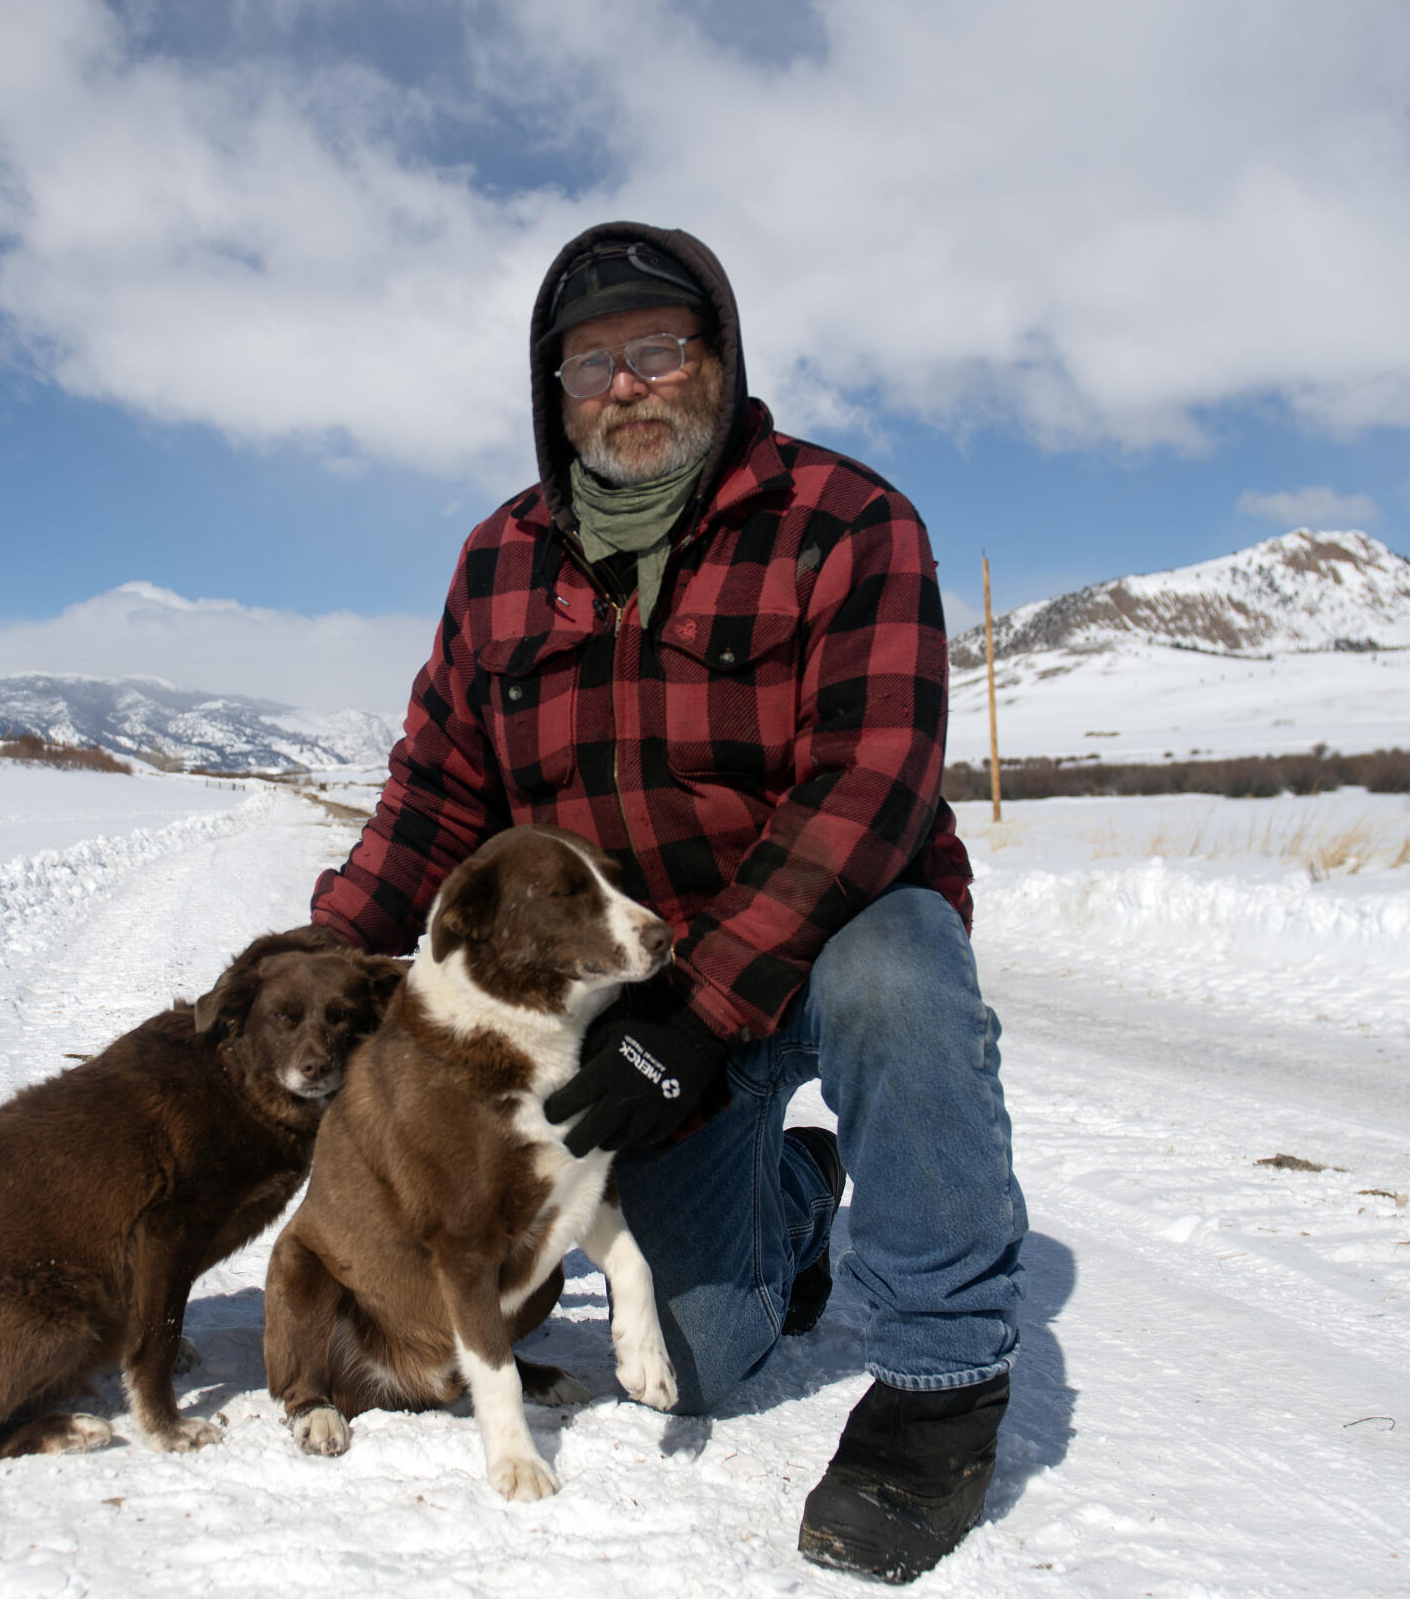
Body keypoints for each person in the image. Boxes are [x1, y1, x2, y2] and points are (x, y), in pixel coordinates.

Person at [310, 221, 1026, 1584]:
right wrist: (320, 966)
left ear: (719, 359)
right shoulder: (500, 563)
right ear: (552, 394)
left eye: (657, 348)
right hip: (645, 1003)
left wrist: (704, 1007)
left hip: (818, 944)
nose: (625, 385)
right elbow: (437, 795)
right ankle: (804, 1193)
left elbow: (874, 785)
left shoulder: (846, 522)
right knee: (691, 1361)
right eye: (589, 363)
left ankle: (944, 1380)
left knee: (898, 966)